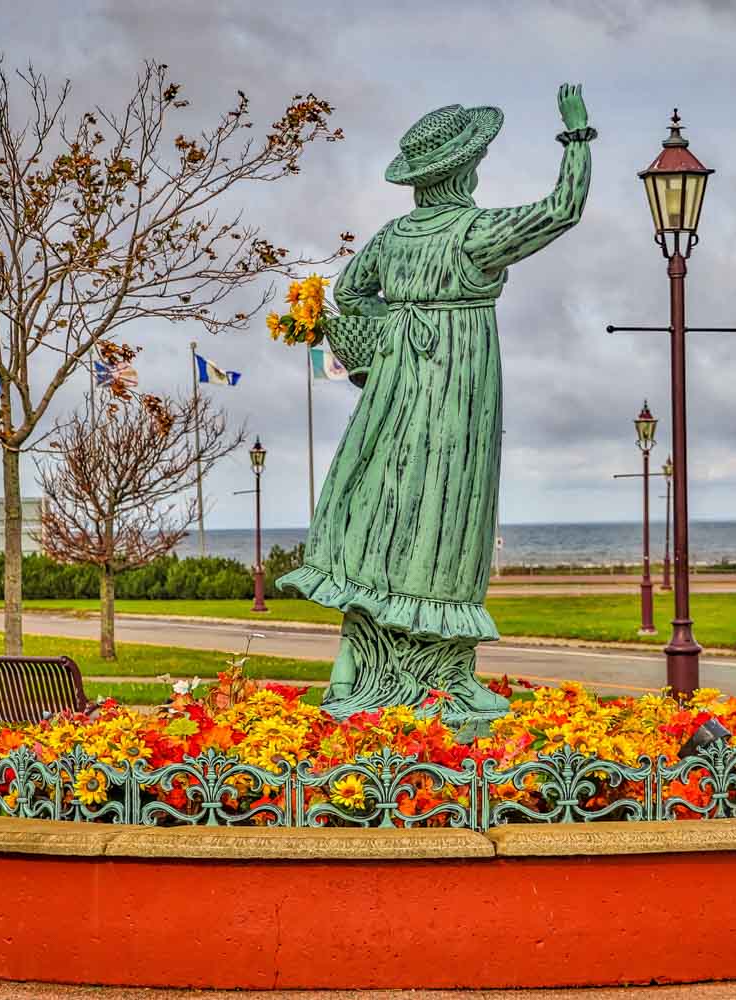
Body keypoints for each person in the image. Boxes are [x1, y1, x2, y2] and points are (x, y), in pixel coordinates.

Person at [278, 85, 594, 725]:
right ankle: (440, 677)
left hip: (397, 385)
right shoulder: (473, 234)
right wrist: (577, 138)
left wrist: (393, 336)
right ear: (466, 168)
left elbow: (350, 292)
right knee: (450, 508)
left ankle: (370, 666)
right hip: (457, 386)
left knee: (386, 503)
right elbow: (561, 210)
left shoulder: (393, 237)